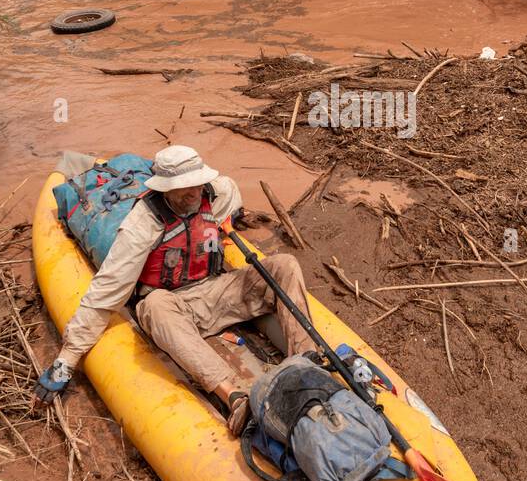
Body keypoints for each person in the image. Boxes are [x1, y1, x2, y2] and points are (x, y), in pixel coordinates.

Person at [35, 145, 318, 434]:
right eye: (183, 188)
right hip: (174, 304)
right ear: (164, 190)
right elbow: (106, 292)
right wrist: (66, 360)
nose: (194, 193)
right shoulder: (142, 223)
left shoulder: (216, 191)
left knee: (285, 264)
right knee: (154, 306)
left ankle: (308, 358)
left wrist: (232, 219)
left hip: (217, 288)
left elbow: (231, 196)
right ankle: (233, 396)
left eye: (196, 184)